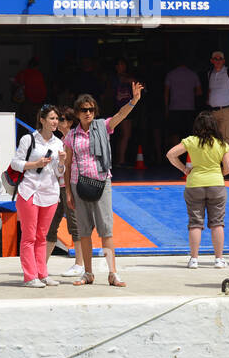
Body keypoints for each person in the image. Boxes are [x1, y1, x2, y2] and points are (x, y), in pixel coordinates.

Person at [65, 80, 142, 287]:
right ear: (77, 113)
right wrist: (69, 193)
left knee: (106, 231)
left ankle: (112, 273)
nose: (88, 113)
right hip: (78, 185)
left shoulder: (103, 127)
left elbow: (120, 115)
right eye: (83, 110)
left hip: (101, 183)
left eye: (90, 109)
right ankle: (88, 273)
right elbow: (68, 163)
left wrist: (133, 101)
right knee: (83, 232)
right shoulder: (71, 136)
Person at [166, 110, 229, 268]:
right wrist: (217, 174)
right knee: (217, 223)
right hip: (216, 184)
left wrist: (184, 169)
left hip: (194, 184)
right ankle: (218, 259)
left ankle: (194, 259)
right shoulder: (221, 144)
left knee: (195, 223)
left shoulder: (191, 141)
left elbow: (170, 154)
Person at [13, 104, 66, 287]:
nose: (55, 122)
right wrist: (35, 163)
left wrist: (62, 163)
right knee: (29, 236)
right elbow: (15, 163)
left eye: (57, 119)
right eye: (51, 118)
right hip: (29, 191)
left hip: (50, 193)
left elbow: (59, 173)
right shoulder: (29, 140)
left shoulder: (58, 143)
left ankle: (42, 274)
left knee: (42, 236)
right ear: (42, 120)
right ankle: (30, 276)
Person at [46, 108, 82, 278]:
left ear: (69, 122)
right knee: (51, 224)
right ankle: (41, 264)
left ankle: (80, 264)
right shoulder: (61, 140)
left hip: (70, 186)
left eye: (60, 119)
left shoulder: (74, 139)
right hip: (57, 187)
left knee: (75, 225)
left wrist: (69, 190)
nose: (57, 122)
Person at [163, 59, 203, 148]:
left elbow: (166, 94)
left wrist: (166, 109)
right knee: (188, 134)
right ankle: (188, 158)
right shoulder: (193, 74)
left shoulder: (171, 74)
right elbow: (199, 92)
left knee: (175, 134)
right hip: (189, 108)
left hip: (174, 108)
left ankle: (176, 157)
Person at [108, 58, 136, 167]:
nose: (122, 66)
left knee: (125, 135)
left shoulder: (127, 77)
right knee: (125, 134)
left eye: (123, 64)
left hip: (127, 109)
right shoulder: (114, 79)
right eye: (120, 64)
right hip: (118, 109)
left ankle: (121, 159)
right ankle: (120, 160)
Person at [12, 58, 47, 130]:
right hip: (38, 102)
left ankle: (24, 135)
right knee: (36, 122)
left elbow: (15, 83)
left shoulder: (23, 73)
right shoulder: (40, 74)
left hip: (27, 101)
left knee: (24, 122)